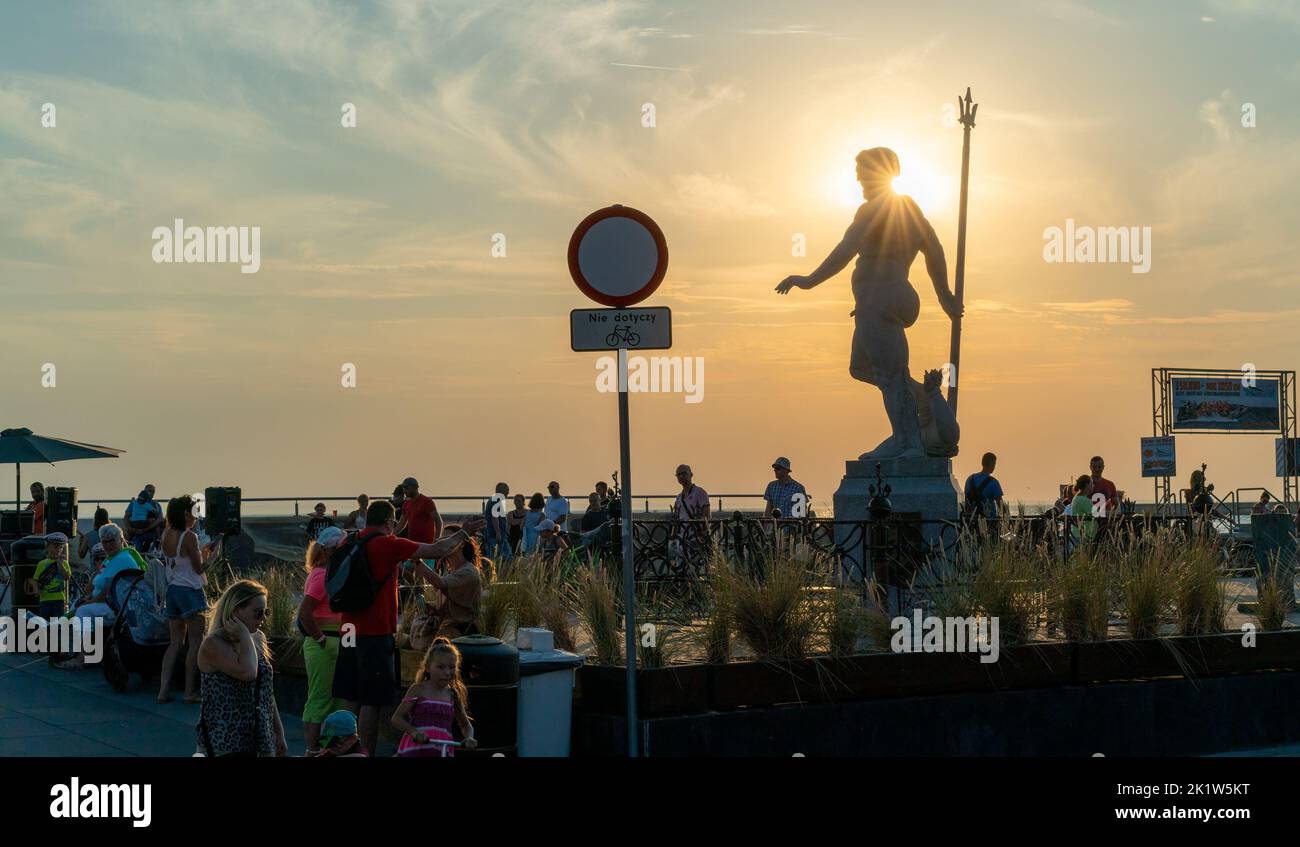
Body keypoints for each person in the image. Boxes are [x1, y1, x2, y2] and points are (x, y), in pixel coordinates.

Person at [776, 146, 962, 460]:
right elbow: (934, 248)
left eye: (864, 176)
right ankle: (924, 399)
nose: (860, 183)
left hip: (880, 297)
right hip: (888, 298)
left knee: (889, 377)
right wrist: (943, 294)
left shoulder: (875, 208)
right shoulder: (910, 208)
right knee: (861, 367)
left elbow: (846, 249)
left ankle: (907, 441)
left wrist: (807, 280)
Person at [332, 500, 483, 757]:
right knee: (372, 699)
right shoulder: (389, 544)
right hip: (374, 633)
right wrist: (464, 531)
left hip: (348, 629)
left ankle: (345, 752)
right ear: (390, 523)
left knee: (351, 693)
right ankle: (365, 753)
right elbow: (439, 549)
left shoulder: (348, 541)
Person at [196, 579, 287, 757]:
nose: (263, 619)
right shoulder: (213, 644)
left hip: (259, 738)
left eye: (266, 612)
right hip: (225, 740)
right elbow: (248, 672)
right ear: (236, 609)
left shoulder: (257, 638)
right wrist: (244, 635)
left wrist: (279, 732)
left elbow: (266, 690)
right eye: (258, 613)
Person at [158, 496, 214, 704]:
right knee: (195, 643)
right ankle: (190, 692)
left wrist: (200, 553)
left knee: (175, 644)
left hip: (173, 590)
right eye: (193, 512)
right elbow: (198, 569)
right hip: (190, 591)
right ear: (185, 514)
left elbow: (180, 561)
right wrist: (211, 557)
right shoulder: (189, 536)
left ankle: (163, 690)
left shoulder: (166, 534)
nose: (195, 516)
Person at [296, 526, 348, 751]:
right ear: (330, 551)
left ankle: (324, 747)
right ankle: (313, 749)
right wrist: (321, 641)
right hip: (325, 643)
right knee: (320, 698)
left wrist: (349, 645)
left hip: (338, 640)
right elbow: (305, 612)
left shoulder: (332, 574)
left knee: (337, 700)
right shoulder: (321, 575)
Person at [392, 638, 477, 757]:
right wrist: (414, 732)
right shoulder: (418, 689)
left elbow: (466, 725)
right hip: (414, 751)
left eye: (452, 667)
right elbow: (396, 718)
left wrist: (469, 737)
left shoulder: (453, 695)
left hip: (442, 751)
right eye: (441, 667)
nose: (447, 672)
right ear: (427, 667)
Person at [424, 524, 483, 640]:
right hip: (447, 629)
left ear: (461, 544)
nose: (443, 544)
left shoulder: (468, 571)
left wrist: (416, 560)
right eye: (441, 541)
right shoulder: (452, 571)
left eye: (448, 540)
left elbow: (439, 583)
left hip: (460, 633)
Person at [31, 532, 72, 620]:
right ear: (48, 547)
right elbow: (35, 580)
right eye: (55, 547)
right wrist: (36, 590)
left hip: (59, 599)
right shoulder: (41, 564)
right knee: (44, 624)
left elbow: (66, 578)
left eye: (61, 547)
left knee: (57, 625)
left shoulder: (65, 563)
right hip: (44, 600)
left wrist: (60, 564)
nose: (58, 550)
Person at [396, 477, 442, 543]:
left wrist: (437, 539)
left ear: (415, 487)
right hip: (413, 543)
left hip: (427, 543)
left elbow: (438, 521)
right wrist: (389, 535)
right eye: (403, 488)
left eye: (406, 488)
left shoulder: (427, 502)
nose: (404, 490)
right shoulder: (406, 504)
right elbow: (401, 525)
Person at [962, 452, 1005, 522]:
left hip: (971, 521)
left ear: (982, 463)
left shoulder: (970, 479)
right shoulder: (993, 482)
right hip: (989, 521)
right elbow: (1001, 505)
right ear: (993, 465)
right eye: (994, 464)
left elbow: (967, 500)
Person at [123, 488, 164, 553]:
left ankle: (158, 541)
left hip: (150, 533)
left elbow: (160, 519)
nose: (150, 493)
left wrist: (144, 529)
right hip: (136, 534)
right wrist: (131, 528)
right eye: (148, 490)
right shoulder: (134, 503)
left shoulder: (156, 504)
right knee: (137, 552)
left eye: (152, 491)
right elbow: (126, 517)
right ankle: (128, 542)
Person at [482, 482, 511, 561]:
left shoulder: (492, 499)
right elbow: (494, 516)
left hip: (492, 533)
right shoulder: (497, 500)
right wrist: (498, 532)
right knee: (508, 559)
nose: (507, 495)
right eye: (506, 492)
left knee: (492, 558)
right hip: (496, 535)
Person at [1067, 475, 1097, 545]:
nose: (1093, 485)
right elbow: (1096, 515)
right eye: (1092, 483)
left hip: (1076, 533)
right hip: (1083, 535)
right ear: (1087, 485)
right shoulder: (1083, 500)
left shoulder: (1076, 498)